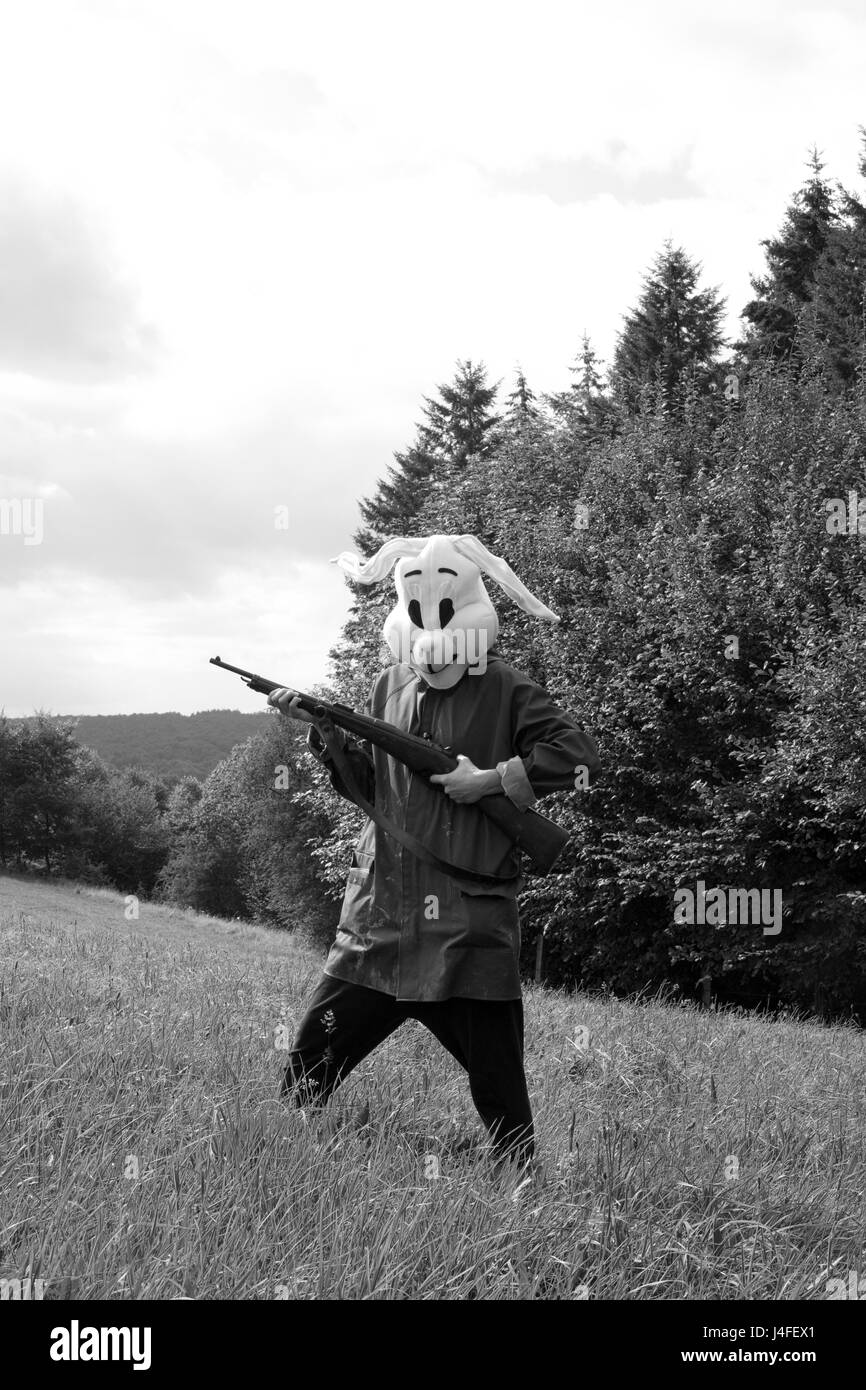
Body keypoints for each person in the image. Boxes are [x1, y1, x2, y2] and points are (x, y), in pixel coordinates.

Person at [270, 534, 600, 1174]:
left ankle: (521, 1191)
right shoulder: (386, 685)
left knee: (501, 1095)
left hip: (465, 926)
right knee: (306, 1071)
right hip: (379, 921)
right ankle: (274, 1165)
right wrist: (325, 732)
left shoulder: (508, 688)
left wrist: (494, 779)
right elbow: (369, 792)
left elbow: (579, 754)